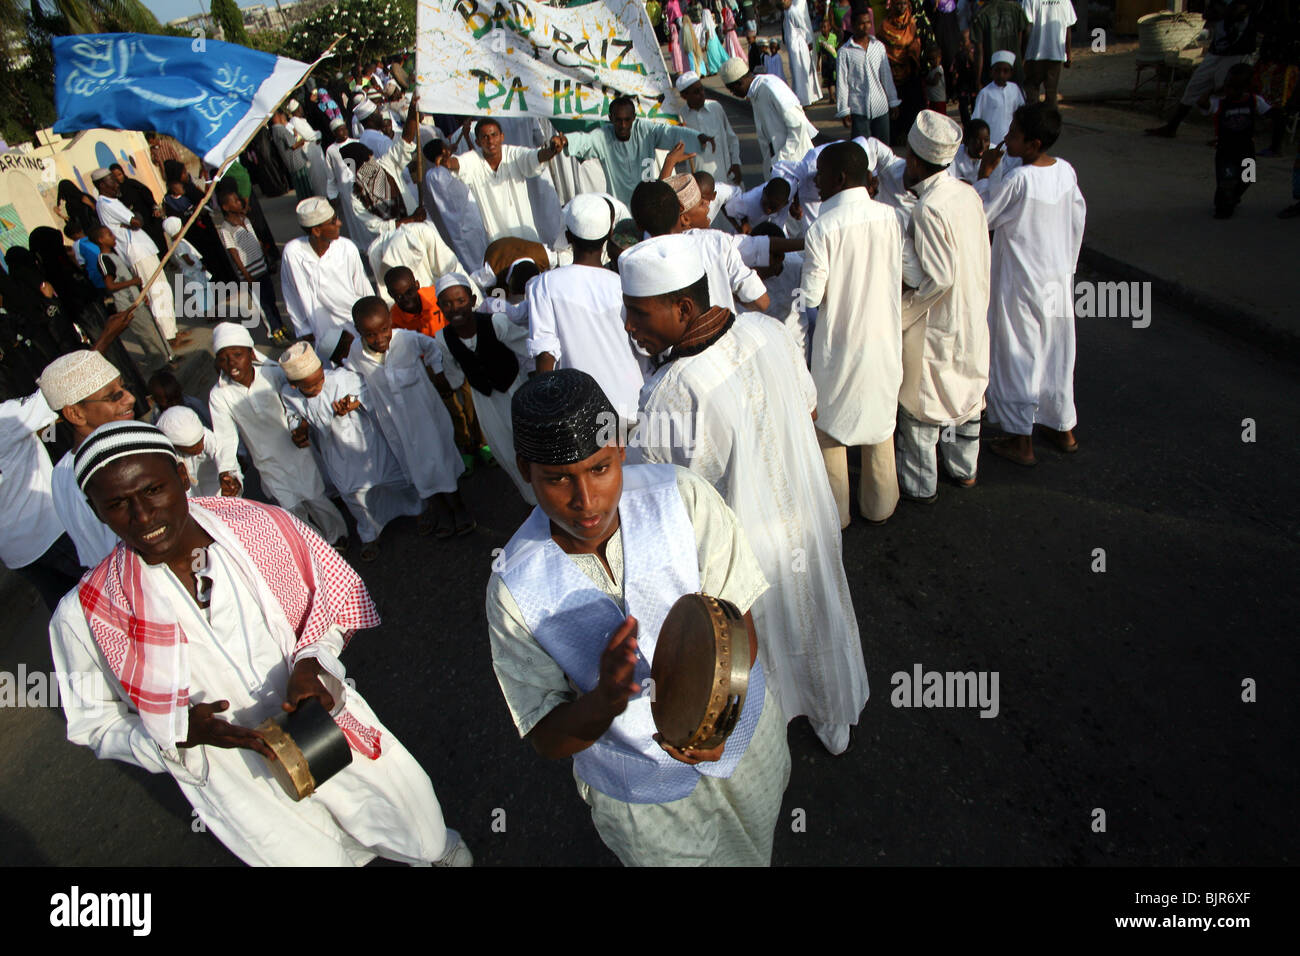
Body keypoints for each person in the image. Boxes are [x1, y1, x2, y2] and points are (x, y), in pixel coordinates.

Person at [48, 420, 471, 866]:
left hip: (323, 722)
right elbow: (93, 722)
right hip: (238, 777)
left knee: (418, 829)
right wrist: (175, 734)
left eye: (153, 490)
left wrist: (314, 662)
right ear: (96, 512)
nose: (142, 516)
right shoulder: (87, 613)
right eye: (117, 504)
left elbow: (332, 599)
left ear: (182, 474)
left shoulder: (257, 525)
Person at [486, 369, 791, 866]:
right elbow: (545, 734)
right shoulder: (513, 588)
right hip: (642, 795)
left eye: (600, 468)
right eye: (558, 479)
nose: (586, 500)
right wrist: (605, 700)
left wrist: (713, 724)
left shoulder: (682, 497)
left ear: (621, 448)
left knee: (759, 845)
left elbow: (739, 615)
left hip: (742, 741)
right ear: (524, 469)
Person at [623, 236, 868, 756]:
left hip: (747, 545)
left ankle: (773, 740)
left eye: (639, 315)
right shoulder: (768, 330)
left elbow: (662, 499)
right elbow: (809, 411)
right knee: (817, 611)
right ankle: (832, 721)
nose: (630, 328)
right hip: (807, 514)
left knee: (766, 640)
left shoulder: (672, 391)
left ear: (683, 308)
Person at [799, 141, 903, 527]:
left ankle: (837, 514)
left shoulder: (822, 228)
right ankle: (880, 505)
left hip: (839, 349)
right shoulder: (891, 218)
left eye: (821, 176)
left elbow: (811, 295)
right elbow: (904, 272)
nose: (817, 184)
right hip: (883, 344)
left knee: (831, 432)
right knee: (879, 427)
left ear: (839, 178)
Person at [975, 103, 1086, 465]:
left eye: (1015, 134)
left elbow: (985, 217)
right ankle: (1062, 426)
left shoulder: (1018, 180)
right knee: (1057, 352)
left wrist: (985, 174)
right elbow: (1077, 220)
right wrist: (1068, 267)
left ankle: (1021, 440)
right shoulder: (1066, 172)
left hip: (1022, 282)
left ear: (1033, 143)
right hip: (1056, 278)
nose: (1007, 137)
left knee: (1019, 353)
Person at [896, 111, 991, 501]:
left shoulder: (928, 209)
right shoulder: (966, 192)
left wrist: (903, 309)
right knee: (964, 390)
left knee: (924, 399)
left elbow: (939, 277)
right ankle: (963, 469)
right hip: (971, 311)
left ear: (917, 161)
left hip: (941, 318)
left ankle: (921, 486)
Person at [208, 323, 349, 547]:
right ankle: (316, 546)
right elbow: (225, 436)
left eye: (237, 354)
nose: (231, 362)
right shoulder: (219, 395)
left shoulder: (271, 373)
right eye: (223, 358)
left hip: (296, 451)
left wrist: (299, 427)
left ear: (251, 353)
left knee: (315, 497)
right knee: (291, 509)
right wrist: (228, 470)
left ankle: (337, 535)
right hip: (267, 462)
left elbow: (296, 404)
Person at [278, 342, 422, 561]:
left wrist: (353, 402)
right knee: (352, 493)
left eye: (320, 379)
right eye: (311, 386)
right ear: (295, 385)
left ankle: (419, 509)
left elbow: (368, 394)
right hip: (335, 451)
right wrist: (299, 428)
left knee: (393, 478)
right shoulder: (290, 395)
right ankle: (369, 534)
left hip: (365, 441)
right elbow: (293, 415)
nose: (319, 386)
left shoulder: (341, 378)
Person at [347, 297, 475, 538]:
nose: (380, 338)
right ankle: (441, 511)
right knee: (416, 468)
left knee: (439, 460)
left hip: (426, 417)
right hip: (396, 424)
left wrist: (438, 373)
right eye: (371, 335)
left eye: (384, 330)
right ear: (359, 332)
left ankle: (458, 507)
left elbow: (433, 347)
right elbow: (354, 376)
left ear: (390, 322)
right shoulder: (356, 352)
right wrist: (356, 398)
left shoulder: (406, 340)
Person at [525, 195, 646, 423]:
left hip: (584, 414)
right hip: (633, 404)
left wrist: (547, 418)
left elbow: (545, 353)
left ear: (569, 236)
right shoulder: (623, 283)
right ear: (609, 235)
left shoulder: (545, 285)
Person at [432, 273, 536, 503]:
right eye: (447, 304)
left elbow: (527, 344)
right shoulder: (443, 338)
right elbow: (454, 374)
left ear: (471, 299)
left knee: (531, 443)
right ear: (439, 307)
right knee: (506, 452)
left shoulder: (495, 322)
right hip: (485, 400)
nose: (455, 308)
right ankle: (531, 500)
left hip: (514, 391)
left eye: (460, 300)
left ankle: (547, 494)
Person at [39, 350, 137, 568]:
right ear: (75, 414)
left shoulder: (60, 472)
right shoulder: (111, 465)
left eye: (124, 388)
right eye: (114, 396)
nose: (130, 398)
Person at [630, 178, 774, 318]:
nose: (708, 209)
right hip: (728, 339)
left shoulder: (636, 265)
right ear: (684, 217)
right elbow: (762, 302)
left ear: (639, 225)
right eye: (701, 204)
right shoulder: (715, 242)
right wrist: (729, 294)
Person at [0, 390, 82, 612]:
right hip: (49, 530)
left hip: (16, 553)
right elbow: (56, 392)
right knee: (109, 591)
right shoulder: (6, 418)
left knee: (71, 612)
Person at [561, 96, 711, 207]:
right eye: (618, 120)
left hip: (650, 207)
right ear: (610, 118)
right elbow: (585, 141)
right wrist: (565, 141)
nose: (623, 125)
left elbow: (669, 132)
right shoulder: (603, 136)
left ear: (634, 118)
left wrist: (697, 137)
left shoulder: (646, 131)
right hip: (621, 210)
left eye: (627, 120)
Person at [439, 118, 568, 244]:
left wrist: (551, 151)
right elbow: (459, 163)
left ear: (502, 137)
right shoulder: (474, 159)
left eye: (494, 135)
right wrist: (447, 161)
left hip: (527, 240)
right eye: (485, 137)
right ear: (477, 142)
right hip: (496, 245)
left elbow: (534, 157)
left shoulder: (513, 154)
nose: (490, 141)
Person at [91, 168, 178, 348]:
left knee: (162, 290)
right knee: (158, 292)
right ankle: (168, 337)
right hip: (137, 252)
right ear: (102, 185)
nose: (117, 185)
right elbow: (136, 221)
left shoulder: (109, 202)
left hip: (142, 249)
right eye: (112, 182)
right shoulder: (107, 203)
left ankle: (171, 332)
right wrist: (135, 217)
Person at [280, 198, 374, 355]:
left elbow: (362, 286)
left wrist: (371, 317)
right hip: (320, 328)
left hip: (352, 322)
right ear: (316, 231)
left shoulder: (346, 248)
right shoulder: (293, 253)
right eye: (333, 222)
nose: (339, 224)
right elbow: (290, 292)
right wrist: (303, 328)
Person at [87, 225, 174, 373]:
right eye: (109, 235)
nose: (113, 237)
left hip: (137, 300)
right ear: (101, 240)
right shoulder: (104, 259)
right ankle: (159, 366)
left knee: (153, 329)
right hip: (128, 304)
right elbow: (110, 285)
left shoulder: (115, 255)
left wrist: (142, 293)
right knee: (147, 336)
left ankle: (167, 357)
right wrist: (132, 282)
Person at [720, 57, 818, 178]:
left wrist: (781, 159)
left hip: (795, 161)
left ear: (739, 83)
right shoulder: (755, 92)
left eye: (732, 90)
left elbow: (799, 125)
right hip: (778, 164)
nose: (732, 94)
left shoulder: (769, 87)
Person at [1207, 62, 1276, 219]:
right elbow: (1202, 103)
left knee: (1248, 177)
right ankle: (1223, 205)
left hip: (1246, 148)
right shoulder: (1221, 102)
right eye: (1229, 86)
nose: (1232, 90)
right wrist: (1213, 91)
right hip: (1226, 149)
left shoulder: (1254, 101)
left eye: (1236, 87)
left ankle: (1232, 197)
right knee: (1227, 179)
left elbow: (1271, 115)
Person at [217, 191, 288, 343]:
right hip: (250, 273)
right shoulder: (225, 229)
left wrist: (264, 253)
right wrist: (245, 274)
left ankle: (280, 326)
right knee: (262, 305)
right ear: (226, 207)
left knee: (271, 299)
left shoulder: (246, 219)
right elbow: (233, 253)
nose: (239, 203)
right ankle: (273, 332)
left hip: (261, 267)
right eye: (235, 201)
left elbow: (255, 239)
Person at [837, 7, 902, 143]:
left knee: (883, 150)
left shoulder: (878, 47)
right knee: (861, 152)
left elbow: (886, 76)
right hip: (858, 109)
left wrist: (893, 101)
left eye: (868, 23)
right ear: (853, 26)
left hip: (880, 107)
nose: (866, 26)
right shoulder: (845, 52)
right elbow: (842, 83)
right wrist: (844, 109)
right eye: (861, 23)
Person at [157, 404, 241, 498]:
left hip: (218, 494)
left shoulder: (207, 437)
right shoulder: (166, 456)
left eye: (201, 440)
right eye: (194, 445)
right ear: (177, 446)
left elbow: (226, 457)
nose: (200, 445)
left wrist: (229, 477)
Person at [675, 72, 743, 186]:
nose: (702, 94)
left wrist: (736, 163)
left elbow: (732, 139)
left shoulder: (716, 107)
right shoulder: (680, 117)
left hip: (726, 177)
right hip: (700, 184)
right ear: (684, 96)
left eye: (702, 89)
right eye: (696, 92)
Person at [1020, 0, 1075, 109]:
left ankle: (1033, 122)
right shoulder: (1065, 1)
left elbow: (1026, 28)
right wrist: (1068, 54)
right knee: (1051, 93)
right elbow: (1067, 28)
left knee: (1031, 91)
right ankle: (1051, 123)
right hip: (1056, 54)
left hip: (1034, 54)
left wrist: (1022, 55)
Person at [973, 50, 1026, 147]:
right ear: (991, 72)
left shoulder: (1014, 89)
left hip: (1011, 140)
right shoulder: (985, 93)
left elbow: (1022, 112)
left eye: (1005, 71)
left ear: (1011, 73)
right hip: (992, 141)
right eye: (997, 70)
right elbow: (976, 119)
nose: (1001, 74)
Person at [972, 0, 1029, 87]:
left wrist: (977, 81)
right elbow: (1026, 33)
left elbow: (979, 53)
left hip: (992, 77)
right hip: (1015, 72)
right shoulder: (1016, 9)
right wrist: (1021, 61)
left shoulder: (981, 15)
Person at [780, 0, 823, 105]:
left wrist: (808, 40)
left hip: (799, 45)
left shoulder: (793, 11)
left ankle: (805, 99)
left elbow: (803, 26)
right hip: (793, 45)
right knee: (797, 72)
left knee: (801, 71)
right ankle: (804, 97)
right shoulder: (786, 12)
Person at [270, 109, 315, 201]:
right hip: (296, 161)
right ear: (278, 116)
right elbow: (293, 145)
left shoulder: (274, 130)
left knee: (300, 185)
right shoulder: (281, 129)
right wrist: (303, 140)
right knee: (304, 185)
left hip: (291, 162)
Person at [949, 118, 990, 183]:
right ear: (966, 141)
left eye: (986, 140)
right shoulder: (954, 154)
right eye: (977, 142)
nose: (983, 146)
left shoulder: (995, 155)